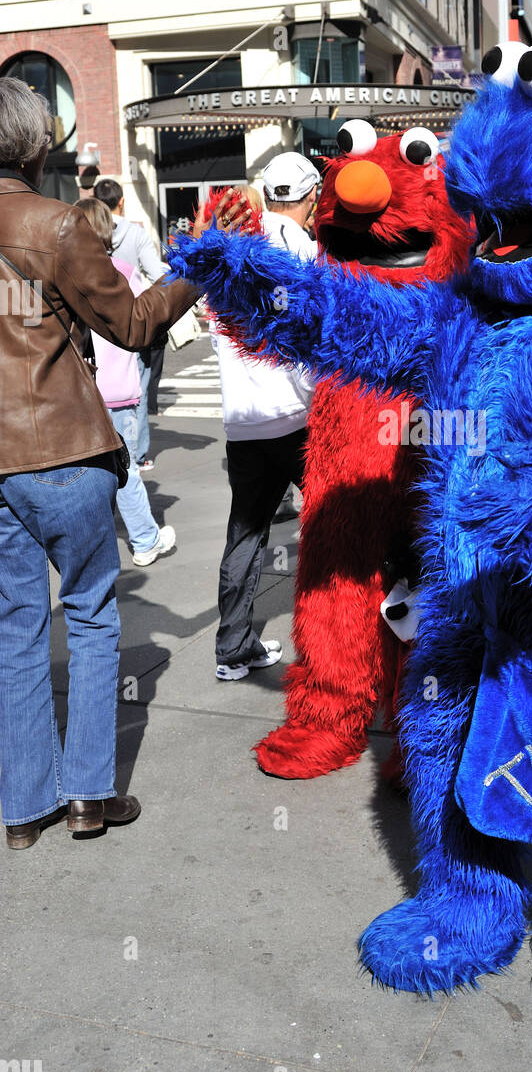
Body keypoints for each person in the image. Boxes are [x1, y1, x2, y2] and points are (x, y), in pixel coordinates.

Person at [0, 78, 199, 849]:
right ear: (35, 144)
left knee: (16, 630)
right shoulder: (54, 225)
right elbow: (137, 325)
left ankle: (23, 807)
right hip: (65, 451)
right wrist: (202, 266)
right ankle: (88, 793)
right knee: (88, 617)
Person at [206, 156, 320, 681]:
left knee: (245, 534)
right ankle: (337, 645)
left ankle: (233, 648)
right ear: (311, 196)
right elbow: (308, 338)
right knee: (331, 527)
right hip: (296, 414)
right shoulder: (301, 249)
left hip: (243, 419)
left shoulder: (229, 248)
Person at [75, 198, 176, 566]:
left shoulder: (65, 274)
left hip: (83, 391)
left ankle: (96, 544)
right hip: (120, 388)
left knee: (91, 472)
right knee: (126, 468)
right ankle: (146, 538)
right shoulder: (122, 271)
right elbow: (146, 322)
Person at [93, 177, 168, 471]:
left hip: (96, 327)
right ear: (121, 201)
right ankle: (137, 454)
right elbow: (156, 272)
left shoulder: (85, 233)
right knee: (136, 387)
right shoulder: (135, 236)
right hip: (131, 323)